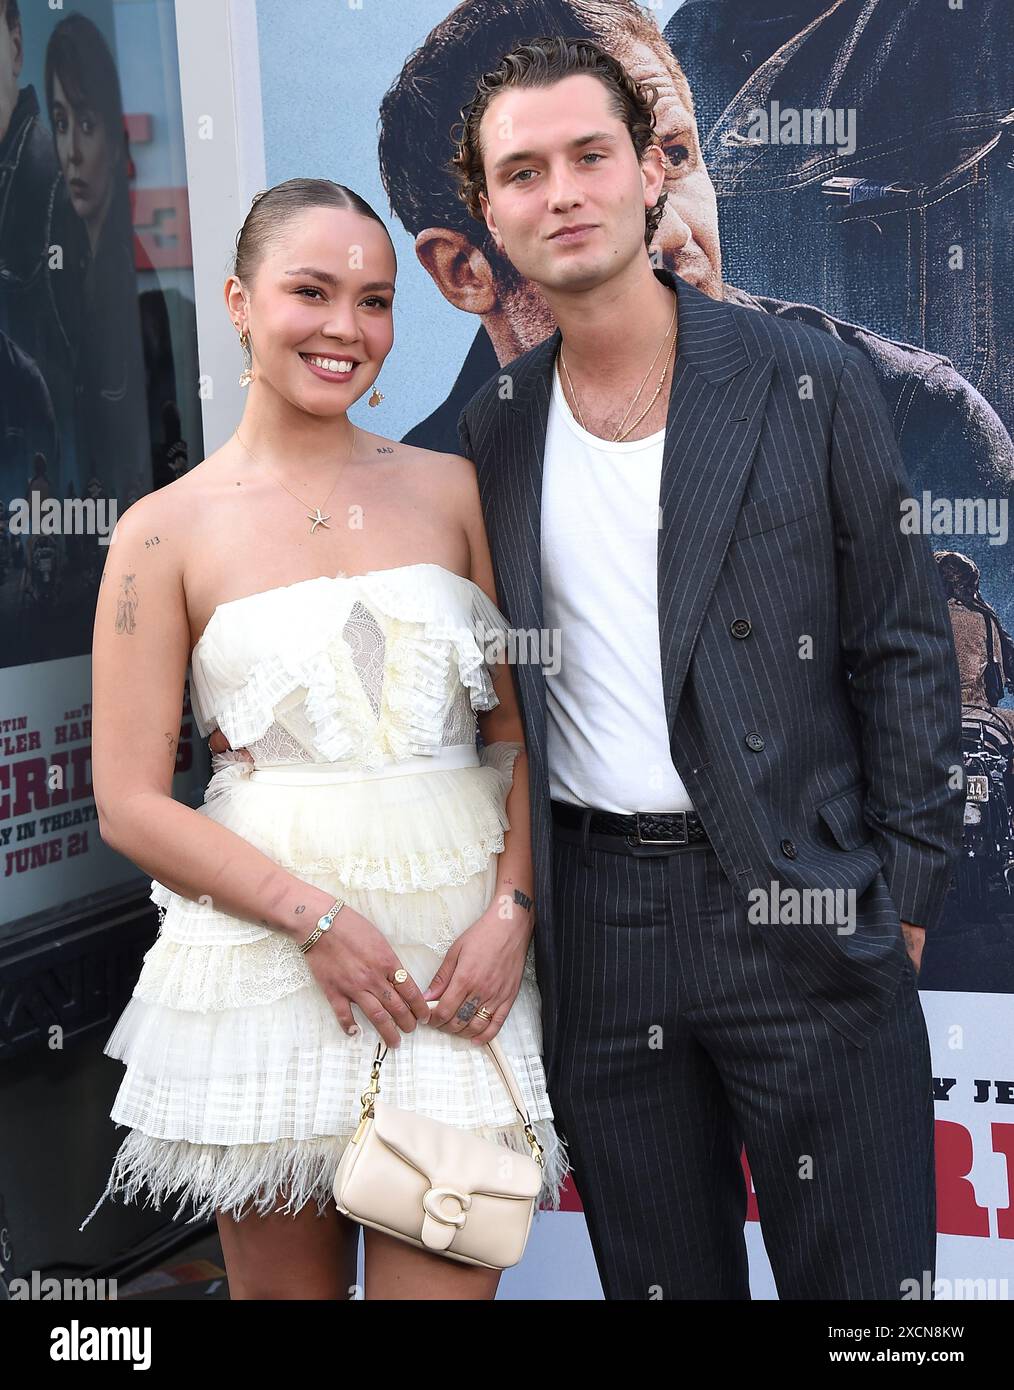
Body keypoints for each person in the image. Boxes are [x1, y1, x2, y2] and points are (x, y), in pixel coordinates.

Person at [450, 35, 964, 1299]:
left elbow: (904, 649)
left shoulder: (811, 378)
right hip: (605, 925)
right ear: (490, 218)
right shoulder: (493, 432)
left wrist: (893, 905)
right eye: (525, 172)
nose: (561, 192)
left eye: (589, 156)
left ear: (648, 175)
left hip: (797, 905)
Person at [79, 178, 568, 1301]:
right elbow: (131, 801)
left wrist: (514, 912)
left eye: (377, 299)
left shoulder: (454, 489)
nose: (347, 327)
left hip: (458, 975)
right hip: (264, 970)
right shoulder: (162, 532)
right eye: (312, 291)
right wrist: (319, 922)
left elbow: (522, 731)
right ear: (240, 302)